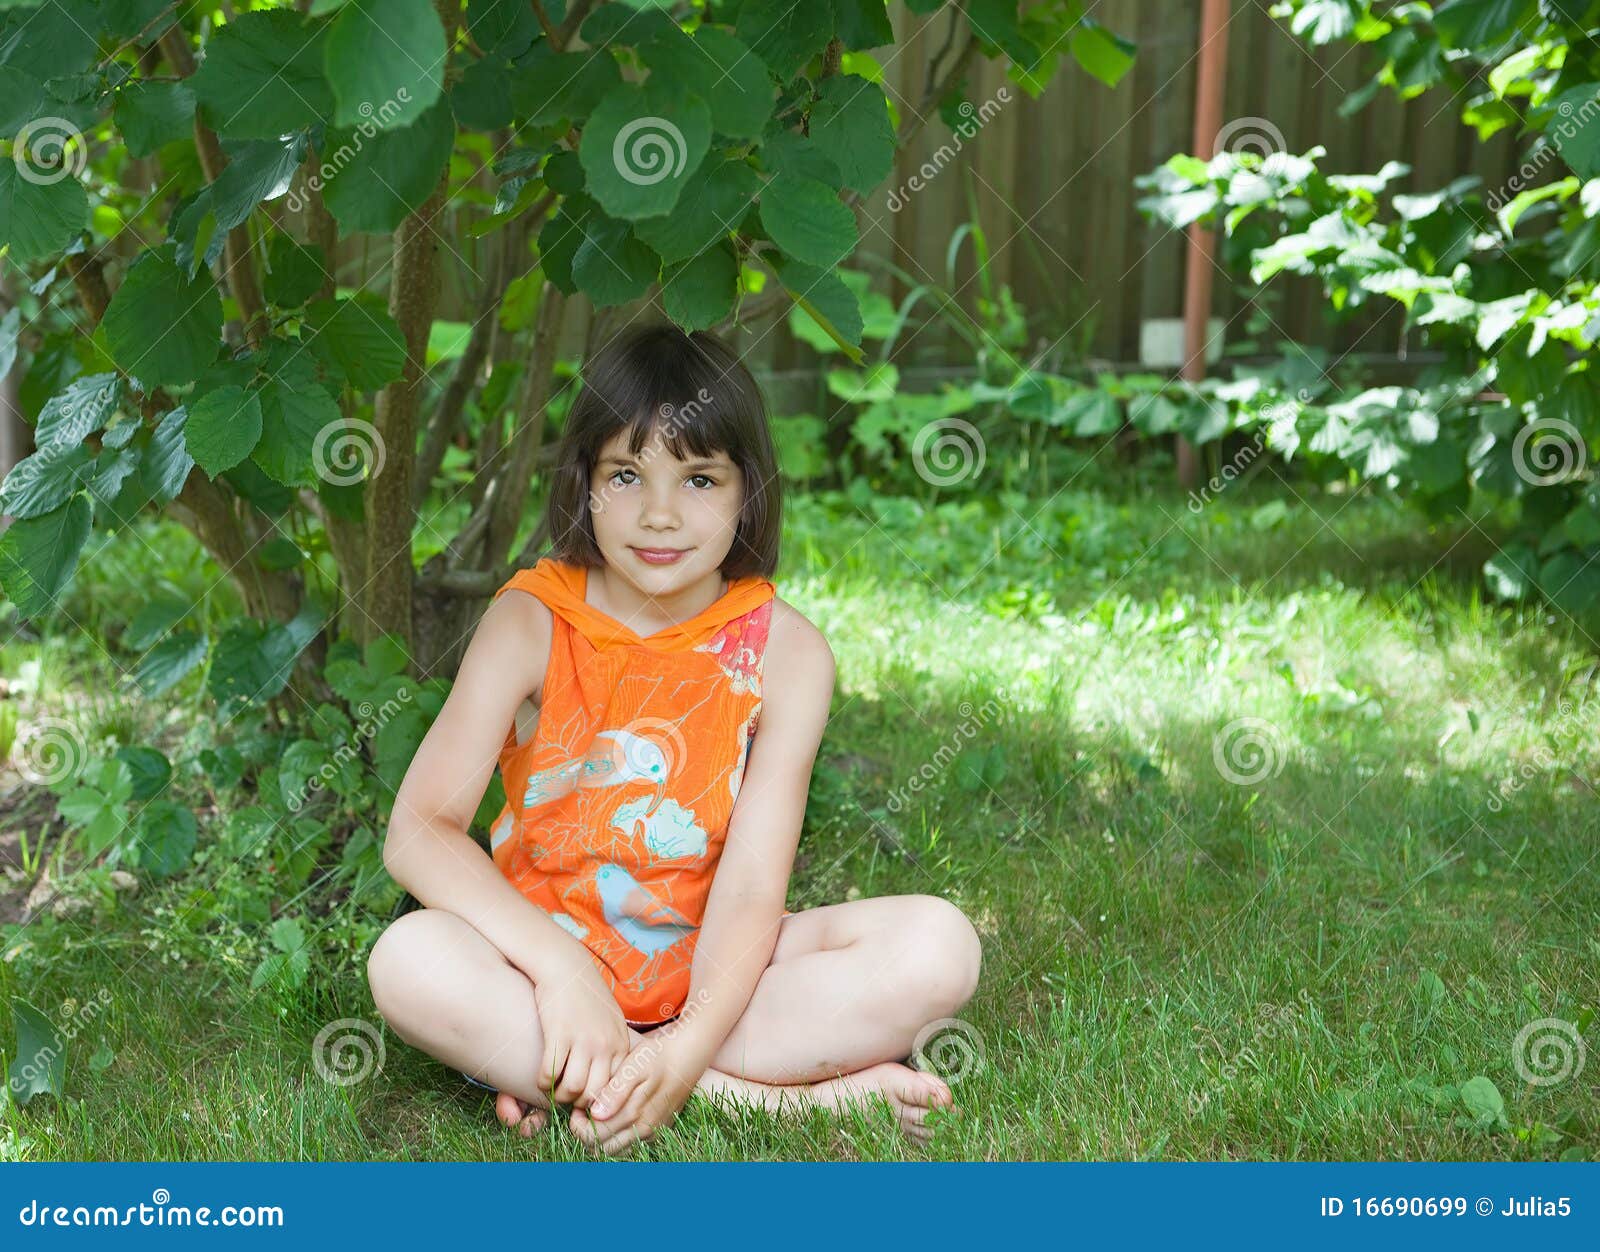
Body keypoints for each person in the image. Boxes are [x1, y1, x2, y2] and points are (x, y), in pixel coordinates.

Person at [367, 322, 983, 1155]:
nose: (660, 515)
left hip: (716, 978)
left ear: (747, 492)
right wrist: (564, 971)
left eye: (699, 478)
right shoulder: (530, 620)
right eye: (626, 474)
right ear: (583, 483)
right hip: (538, 972)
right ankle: (765, 1103)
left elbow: (750, 888)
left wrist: (690, 1038)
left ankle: (611, 1079)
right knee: (408, 960)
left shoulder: (786, 653)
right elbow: (419, 831)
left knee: (938, 947)